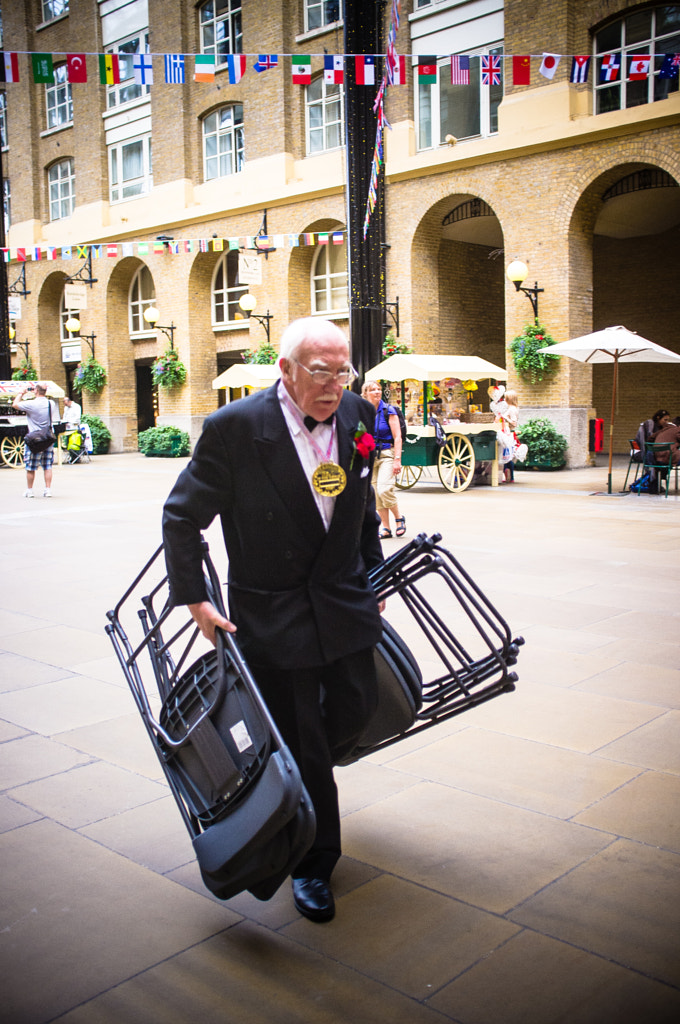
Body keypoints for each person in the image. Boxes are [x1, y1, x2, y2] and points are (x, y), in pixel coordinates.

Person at [163, 318, 384, 923]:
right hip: (275, 615)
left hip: (344, 605)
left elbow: (360, 506)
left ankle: (302, 778)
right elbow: (182, 517)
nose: (335, 384)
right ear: (285, 369)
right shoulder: (235, 429)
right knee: (306, 747)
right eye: (322, 371)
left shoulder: (359, 416)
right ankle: (314, 862)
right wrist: (197, 600)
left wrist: (372, 572)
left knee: (355, 712)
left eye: (344, 371)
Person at [361, 381, 406, 538]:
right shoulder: (363, 411)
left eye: (379, 389)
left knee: (384, 489)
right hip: (370, 456)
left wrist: (397, 459)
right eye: (373, 390)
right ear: (365, 393)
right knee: (375, 493)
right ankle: (385, 527)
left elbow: (398, 437)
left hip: (387, 453)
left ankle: (399, 518)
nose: (377, 392)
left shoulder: (388, 410)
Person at [12, 383, 58, 498]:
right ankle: (48, 490)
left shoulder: (31, 404)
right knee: (47, 466)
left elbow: (15, 404)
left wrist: (22, 392)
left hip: (34, 439)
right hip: (47, 438)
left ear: (36, 391)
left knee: (31, 467)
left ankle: (30, 490)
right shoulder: (50, 403)